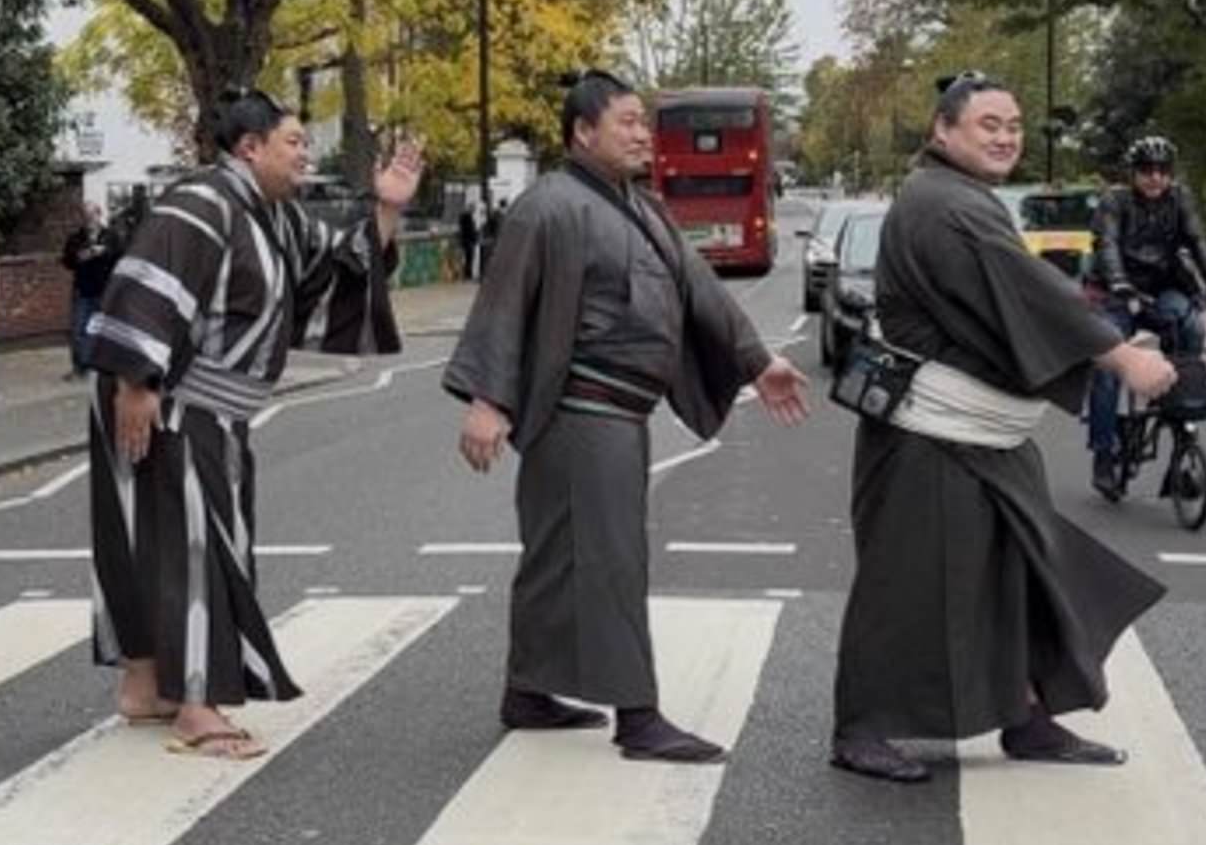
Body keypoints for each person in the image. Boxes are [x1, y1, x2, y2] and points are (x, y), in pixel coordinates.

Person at [443, 70, 812, 765]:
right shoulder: (545, 207)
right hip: (583, 410)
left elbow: (698, 285)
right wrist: (488, 402)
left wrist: (758, 362)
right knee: (611, 561)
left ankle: (527, 691)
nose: (644, 134)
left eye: (645, 122)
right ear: (583, 132)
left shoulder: (642, 207)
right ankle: (638, 715)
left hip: (618, 415)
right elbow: (503, 303)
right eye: (628, 122)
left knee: (556, 559)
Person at [828, 73, 1179, 784]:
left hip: (982, 435)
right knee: (906, 582)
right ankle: (861, 726)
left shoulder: (958, 198)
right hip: (928, 436)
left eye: (1014, 124)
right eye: (988, 123)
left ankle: (1025, 712)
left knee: (1019, 568)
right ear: (943, 131)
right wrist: (1117, 358)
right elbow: (1023, 288)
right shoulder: (941, 205)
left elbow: (1013, 298)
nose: (1006, 136)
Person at [87, 88, 424, 760]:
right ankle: (195, 706)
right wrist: (134, 381)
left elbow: (340, 263)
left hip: (208, 407)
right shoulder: (202, 203)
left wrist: (385, 206)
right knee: (197, 548)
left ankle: (145, 685)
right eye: (294, 142)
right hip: (171, 397)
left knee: (160, 540)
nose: (306, 154)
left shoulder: (272, 216)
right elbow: (146, 284)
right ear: (250, 148)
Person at [1084, 135, 1206, 499]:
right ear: (1133, 173)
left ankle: (1177, 410)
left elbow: (1198, 241)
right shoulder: (1114, 201)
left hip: (1161, 288)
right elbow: (1106, 244)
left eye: (1163, 170)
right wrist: (1118, 281)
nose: (1155, 178)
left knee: (1192, 327)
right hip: (1118, 294)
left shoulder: (1179, 198)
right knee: (1107, 365)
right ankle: (1104, 453)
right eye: (1147, 170)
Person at [60, 201, 124, 380]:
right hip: (83, 291)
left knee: (101, 330)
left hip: (104, 290)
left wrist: (104, 251)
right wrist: (78, 257)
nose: (89, 219)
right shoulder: (75, 238)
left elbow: (122, 254)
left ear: (99, 214)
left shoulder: (111, 236)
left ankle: (101, 367)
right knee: (78, 331)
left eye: (92, 215)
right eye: (85, 215)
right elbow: (66, 261)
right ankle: (80, 367)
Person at [456, 203, 480, 281]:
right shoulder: (467, 217)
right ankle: (467, 275)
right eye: (473, 209)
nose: (473, 210)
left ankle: (467, 274)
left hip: (466, 241)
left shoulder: (465, 217)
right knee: (468, 258)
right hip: (468, 241)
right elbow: (469, 230)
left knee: (468, 258)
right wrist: (475, 236)